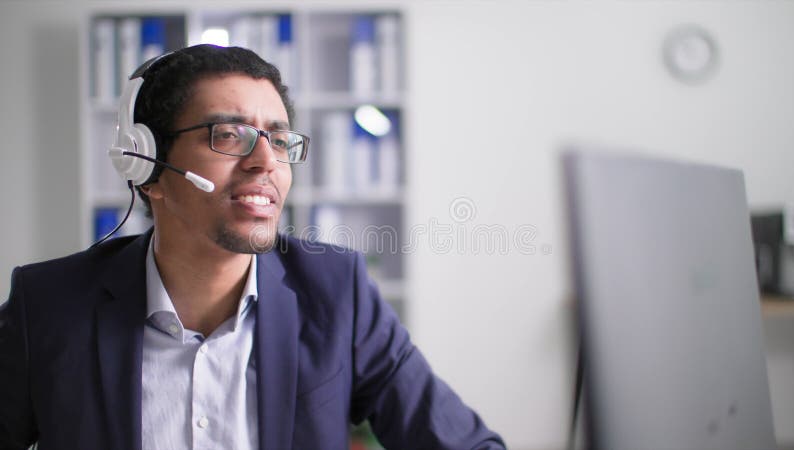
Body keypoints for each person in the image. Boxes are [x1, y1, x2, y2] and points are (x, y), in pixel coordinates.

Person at [0, 44, 505, 450]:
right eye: (229, 135)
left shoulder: (336, 292)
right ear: (146, 166)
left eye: (280, 140)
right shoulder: (46, 305)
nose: (266, 160)